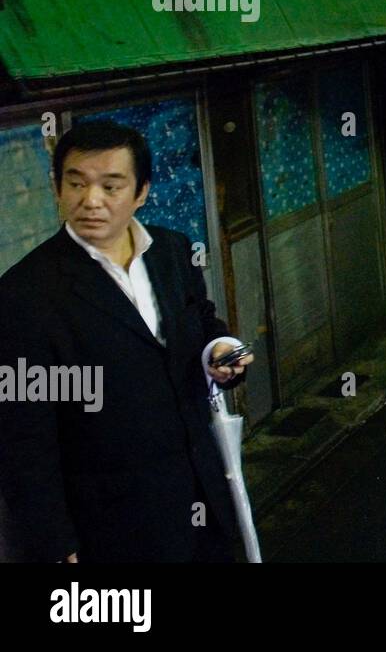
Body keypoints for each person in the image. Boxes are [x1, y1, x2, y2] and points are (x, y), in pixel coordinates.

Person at [0, 120, 253, 562]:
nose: (90, 201)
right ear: (56, 187)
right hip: (114, 529)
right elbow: (24, 436)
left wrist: (218, 350)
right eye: (75, 183)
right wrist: (57, 545)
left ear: (141, 192)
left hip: (205, 501)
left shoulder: (172, 252)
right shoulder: (26, 294)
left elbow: (200, 320)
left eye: (111, 186)